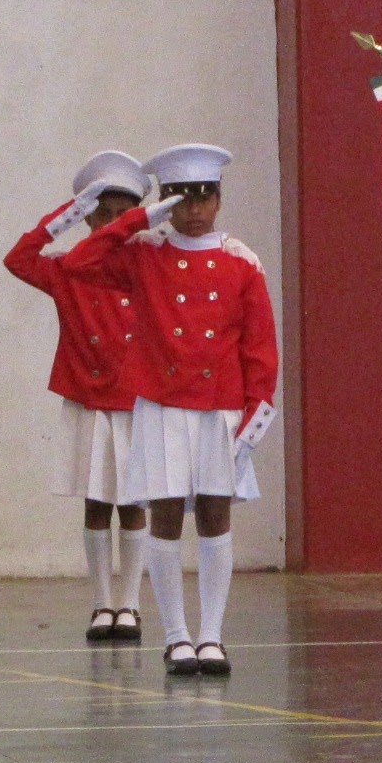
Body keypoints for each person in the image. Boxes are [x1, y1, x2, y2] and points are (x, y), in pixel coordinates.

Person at [63, 144, 278, 676]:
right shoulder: (144, 251)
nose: (195, 209)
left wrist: (256, 417)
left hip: (219, 408)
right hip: (162, 405)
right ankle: (177, 635)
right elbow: (79, 261)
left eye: (206, 196)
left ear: (220, 199)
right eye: (181, 198)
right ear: (165, 203)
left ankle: (212, 634)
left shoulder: (241, 260)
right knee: (163, 517)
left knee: (214, 516)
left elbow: (260, 349)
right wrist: (137, 218)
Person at [4, 151, 151, 643]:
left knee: (132, 503)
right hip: (87, 395)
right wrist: (66, 212)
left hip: (136, 400)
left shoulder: (151, 266)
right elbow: (18, 258)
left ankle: (129, 603)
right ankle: (101, 603)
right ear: (87, 216)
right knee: (94, 503)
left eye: (122, 213)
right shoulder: (68, 268)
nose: (111, 223)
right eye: (100, 212)